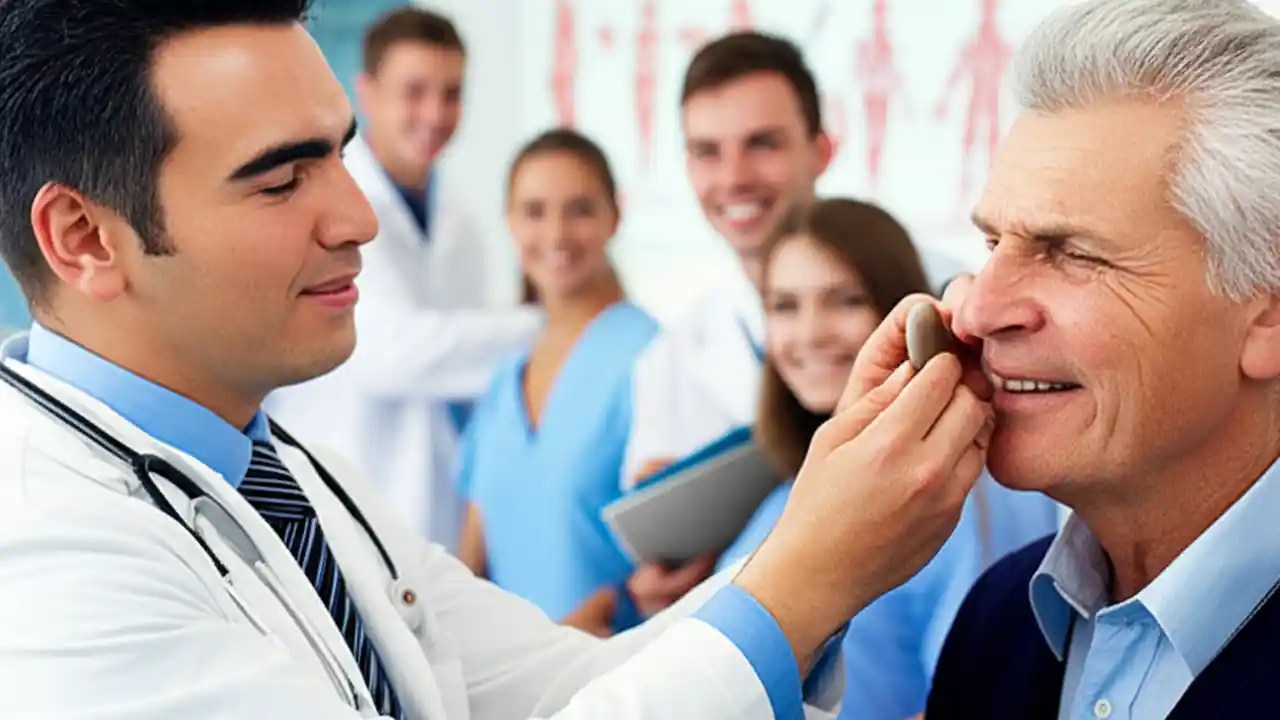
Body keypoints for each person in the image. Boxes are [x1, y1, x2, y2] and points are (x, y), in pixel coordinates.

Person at [0, 1, 998, 717]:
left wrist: (814, 541)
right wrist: (812, 574)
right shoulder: (49, 563)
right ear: (85, 238)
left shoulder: (289, 480)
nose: (355, 218)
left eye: (340, 155)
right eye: (279, 181)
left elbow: (568, 684)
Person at [923, 1, 1280, 717]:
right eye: (993, 246)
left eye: (1073, 254)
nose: (976, 310)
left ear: (1267, 315)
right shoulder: (996, 624)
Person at [713, 198, 1058, 719]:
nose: (810, 332)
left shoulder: (953, 490)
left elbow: (989, 700)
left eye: (844, 300)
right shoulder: (787, 493)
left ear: (901, 312)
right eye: (784, 305)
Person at [266, 7, 539, 550]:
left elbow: (472, 372)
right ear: (366, 94)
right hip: (337, 497)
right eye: (414, 91)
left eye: (451, 93)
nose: (435, 113)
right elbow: (390, 353)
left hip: (431, 512)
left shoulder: (462, 221)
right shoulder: (331, 208)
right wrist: (551, 327)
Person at [455, 129, 654, 636]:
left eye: (581, 209)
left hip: (622, 683)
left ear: (615, 216)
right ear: (509, 221)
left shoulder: (652, 358)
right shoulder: (504, 382)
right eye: (535, 211)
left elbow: (692, 557)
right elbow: (468, 571)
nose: (557, 233)